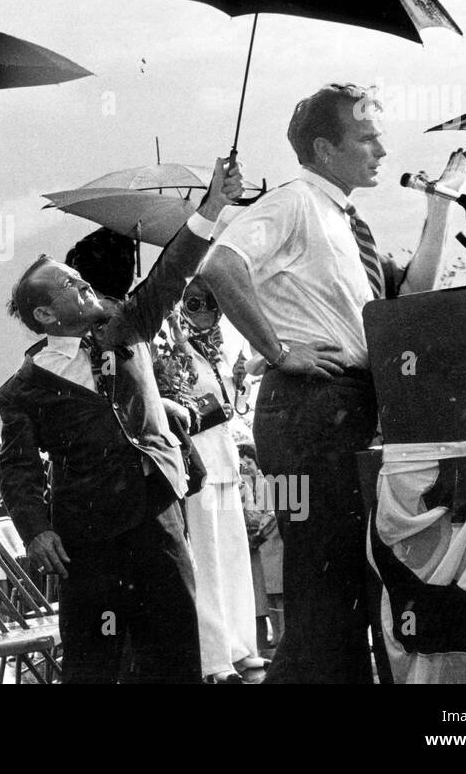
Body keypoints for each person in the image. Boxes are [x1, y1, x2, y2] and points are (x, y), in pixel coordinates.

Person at [201, 83, 466, 683]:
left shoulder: (346, 221)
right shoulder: (295, 201)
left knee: (346, 582)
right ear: (324, 149)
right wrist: (278, 351)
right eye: (366, 137)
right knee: (324, 581)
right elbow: (220, 263)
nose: (381, 148)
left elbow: (413, 294)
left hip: (347, 406)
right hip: (309, 408)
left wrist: (442, 204)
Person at [0, 158, 242, 683]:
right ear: (44, 314)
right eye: (71, 285)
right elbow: (17, 470)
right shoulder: (23, 390)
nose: (85, 285)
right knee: (93, 665)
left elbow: (169, 275)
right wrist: (36, 531)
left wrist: (211, 209)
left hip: (158, 516)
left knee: (175, 655)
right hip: (87, 541)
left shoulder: (123, 330)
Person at [169, 277, 265, 683]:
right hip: (196, 457)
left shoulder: (217, 351)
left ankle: (242, 645)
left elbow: (231, 404)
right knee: (206, 553)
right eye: (193, 303)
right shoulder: (169, 348)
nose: (205, 310)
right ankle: (214, 656)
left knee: (231, 549)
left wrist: (236, 382)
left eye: (212, 303)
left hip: (223, 452)